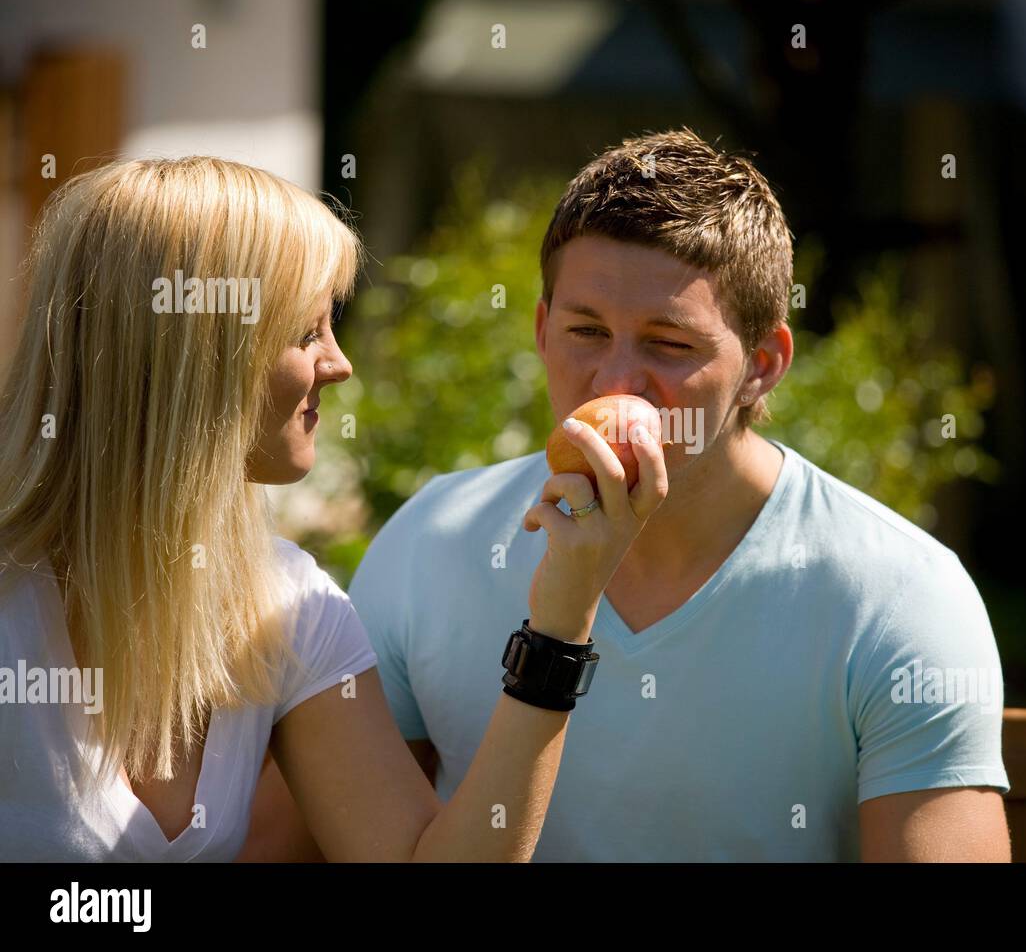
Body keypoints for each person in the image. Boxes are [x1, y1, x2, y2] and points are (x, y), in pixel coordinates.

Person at [254, 127, 1013, 862]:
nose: (617, 382)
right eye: (587, 331)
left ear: (763, 364)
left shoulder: (897, 592)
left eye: (670, 344)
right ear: (543, 331)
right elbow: (301, 846)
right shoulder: (434, 541)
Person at [0, 156, 667, 861]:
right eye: (305, 332)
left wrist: (559, 628)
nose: (340, 363)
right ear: (197, 354)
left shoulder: (289, 607)